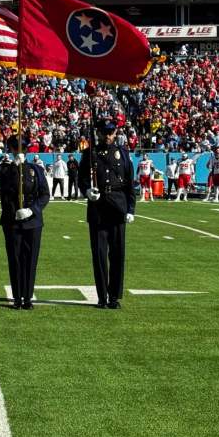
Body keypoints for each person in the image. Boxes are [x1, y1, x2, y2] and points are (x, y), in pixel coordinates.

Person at [78, 119, 135, 310]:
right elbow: (82, 179)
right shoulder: (90, 154)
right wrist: (87, 190)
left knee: (118, 254)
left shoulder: (124, 154)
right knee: (100, 254)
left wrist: (130, 209)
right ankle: (102, 296)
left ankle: (114, 297)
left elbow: (129, 183)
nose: (108, 136)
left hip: (118, 205)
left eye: (111, 133)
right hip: (98, 207)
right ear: (99, 134)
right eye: (105, 133)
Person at [0, 139, 50, 310]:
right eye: (16, 148)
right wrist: (14, 167)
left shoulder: (36, 169)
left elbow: (44, 195)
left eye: (23, 148)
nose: (20, 151)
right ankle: (17, 297)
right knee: (15, 259)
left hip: (32, 221)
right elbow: (3, 187)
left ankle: (27, 297)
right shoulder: (5, 169)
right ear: (11, 149)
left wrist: (32, 210)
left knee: (30, 259)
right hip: (12, 221)